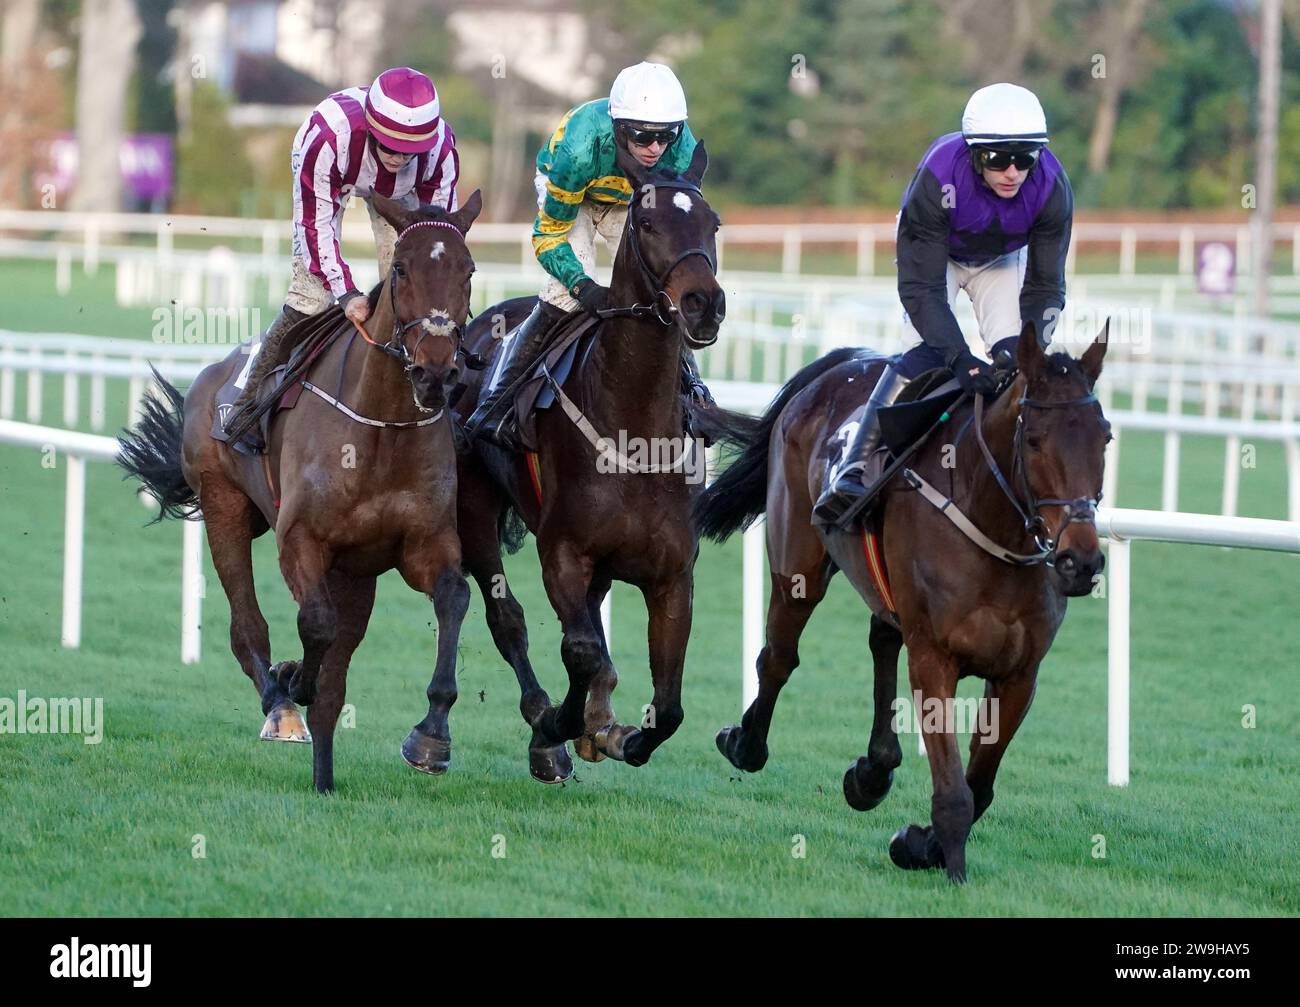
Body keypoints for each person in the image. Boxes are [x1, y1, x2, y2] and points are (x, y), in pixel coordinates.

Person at [813, 82, 1074, 527]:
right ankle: (856, 460)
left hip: (1000, 258)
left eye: (1024, 158)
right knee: (929, 355)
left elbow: (1046, 287)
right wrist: (959, 358)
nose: (1012, 171)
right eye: (998, 159)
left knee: (1017, 361)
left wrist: (1025, 349)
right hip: (935, 259)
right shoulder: (938, 176)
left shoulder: (1052, 188)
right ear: (975, 154)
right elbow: (921, 291)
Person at [464, 61, 713, 447]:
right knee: (563, 295)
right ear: (618, 128)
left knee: (664, 288)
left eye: (665, 137)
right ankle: (498, 404)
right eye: (642, 137)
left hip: (631, 199)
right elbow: (548, 236)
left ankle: (696, 391)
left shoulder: (678, 150)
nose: (655, 148)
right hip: (573, 194)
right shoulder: (580, 149)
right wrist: (583, 287)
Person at [224, 66, 459, 436]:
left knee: (416, 294)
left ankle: (440, 407)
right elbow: (316, 226)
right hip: (335, 172)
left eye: (409, 152)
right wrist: (346, 292)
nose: (398, 158)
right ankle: (247, 407)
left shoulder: (439, 151)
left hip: (402, 197)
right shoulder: (326, 140)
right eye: (391, 147)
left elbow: (438, 241)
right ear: (373, 130)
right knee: (311, 298)